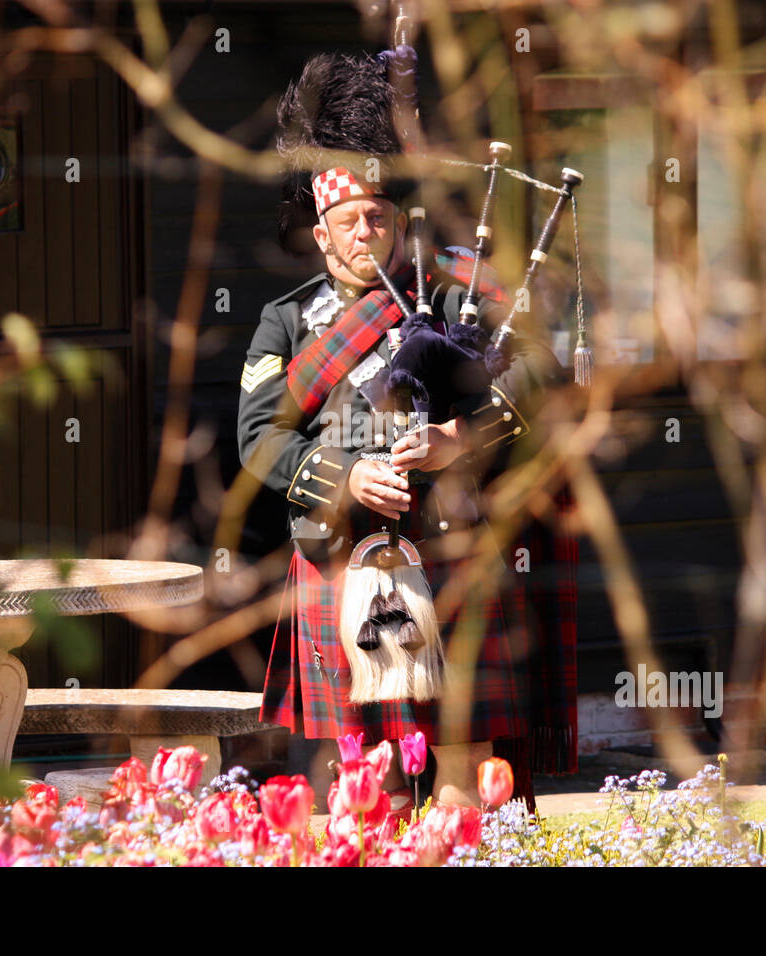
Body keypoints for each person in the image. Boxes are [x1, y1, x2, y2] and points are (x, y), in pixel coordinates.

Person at [237, 49, 575, 809]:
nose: (367, 233)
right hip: (339, 564)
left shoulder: (452, 299)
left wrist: (461, 441)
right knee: (363, 773)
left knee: (464, 755)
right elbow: (257, 435)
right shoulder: (285, 324)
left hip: (453, 548)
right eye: (348, 221)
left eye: (379, 217)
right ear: (320, 234)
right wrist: (346, 475)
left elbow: (537, 379)